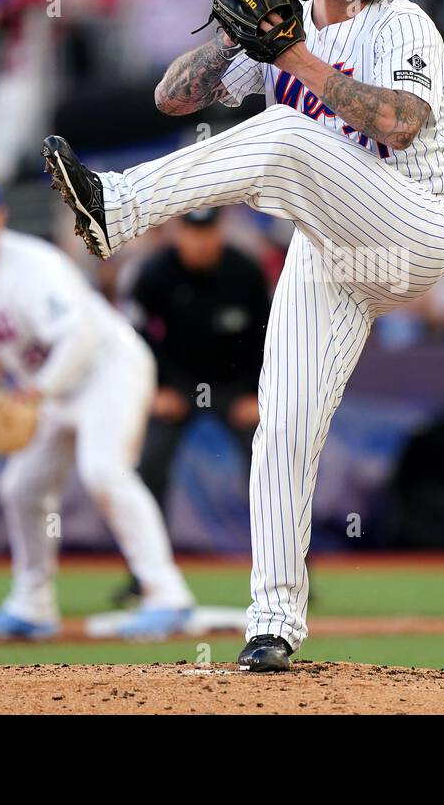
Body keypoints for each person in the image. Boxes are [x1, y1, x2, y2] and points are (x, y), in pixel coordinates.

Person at [42, 0, 444, 670]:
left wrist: (289, 56)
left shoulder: (404, 25)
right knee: (284, 423)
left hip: (412, 223)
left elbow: (401, 126)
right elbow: (174, 96)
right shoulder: (287, 21)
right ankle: (272, 622)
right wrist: (233, 40)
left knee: (284, 136)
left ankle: (118, 209)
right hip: (330, 241)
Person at [0, 175, 196, 639]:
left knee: (104, 470)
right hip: (50, 388)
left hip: (108, 369)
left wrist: (37, 392)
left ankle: (167, 594)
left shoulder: (32, 267)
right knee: (20, 486)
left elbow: (78, 337)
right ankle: (33, 604)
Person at [110, 206, 269, 608]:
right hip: (175, 384)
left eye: (208, 230)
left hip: (235, 384)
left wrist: (256, 392)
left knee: (271, 464)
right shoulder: (155, 275)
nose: (200, 240)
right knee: (149, 467)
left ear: (221, 231)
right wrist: (157, 388)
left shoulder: (245, 273)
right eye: (192, 231)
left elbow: (270, 337)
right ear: (178, 233)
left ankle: (289, 573)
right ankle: (144, 576)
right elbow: (134, 337)